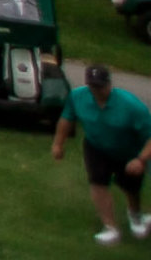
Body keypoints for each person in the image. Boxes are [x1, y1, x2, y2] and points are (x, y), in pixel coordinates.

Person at [56, 63, 151, 243]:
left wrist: (141, 159)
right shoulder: (78, 97)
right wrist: (58, 144)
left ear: (109, 84)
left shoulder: (131, 106)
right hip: (96, 146)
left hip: (128, 150)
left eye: (100, 86)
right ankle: (110, 227)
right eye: (92, 86)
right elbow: (67, 118)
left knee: (131, 186)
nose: (96, 91)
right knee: (98, 181)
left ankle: (136, 215)